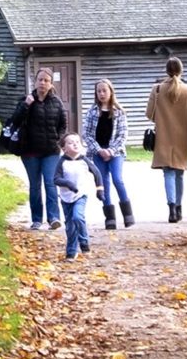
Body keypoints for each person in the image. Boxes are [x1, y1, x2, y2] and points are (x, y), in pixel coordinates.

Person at [11, 69, 69, 231]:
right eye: (40, 80)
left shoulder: (56, 102)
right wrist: (26, 105)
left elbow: (63, 125)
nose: (42, 83)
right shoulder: (26, 100)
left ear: (51, 84)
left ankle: (53, 218)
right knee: (35, 186)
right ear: (35, 81)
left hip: (51, 152)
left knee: (50, 183)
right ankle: (36, 219)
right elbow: (15, 121)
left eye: (46, 80)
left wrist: (59, 140)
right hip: (29, 151)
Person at [146, 57, 187, 223]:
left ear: (166, 71)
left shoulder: (157, 89)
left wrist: (162, 116)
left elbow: (149, 114)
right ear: (181, 70)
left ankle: (171, 208)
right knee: (179, 174)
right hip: (182, 137)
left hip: (163, 136)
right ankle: (178, 206)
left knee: (168, 173)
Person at [82, 80, 134, 229]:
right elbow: (87, 134)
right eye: (99, 91)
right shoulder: (92, 112)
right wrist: (99, 150)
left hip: (115, 152)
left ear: (111, 92)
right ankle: (110, 217)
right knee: (103, 182)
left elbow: (122, 135)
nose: (102, 94)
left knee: (117, 179)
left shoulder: (119, 112)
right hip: (98, 152)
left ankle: (128, 214)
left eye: (104, 90)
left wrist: (111, 151)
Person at [54, 134, 95, 260]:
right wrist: (68, 184)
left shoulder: (84, 160)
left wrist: (100, 189)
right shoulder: (62, 162)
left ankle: (84, 242)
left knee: (78, 217)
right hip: (66, 198)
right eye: (71, 143)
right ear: (64, 148)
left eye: (77, 142)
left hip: (81, 195)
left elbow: (97, 173)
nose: (75, 144)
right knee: (70, 226)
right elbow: (56, 179)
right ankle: (71, 251)